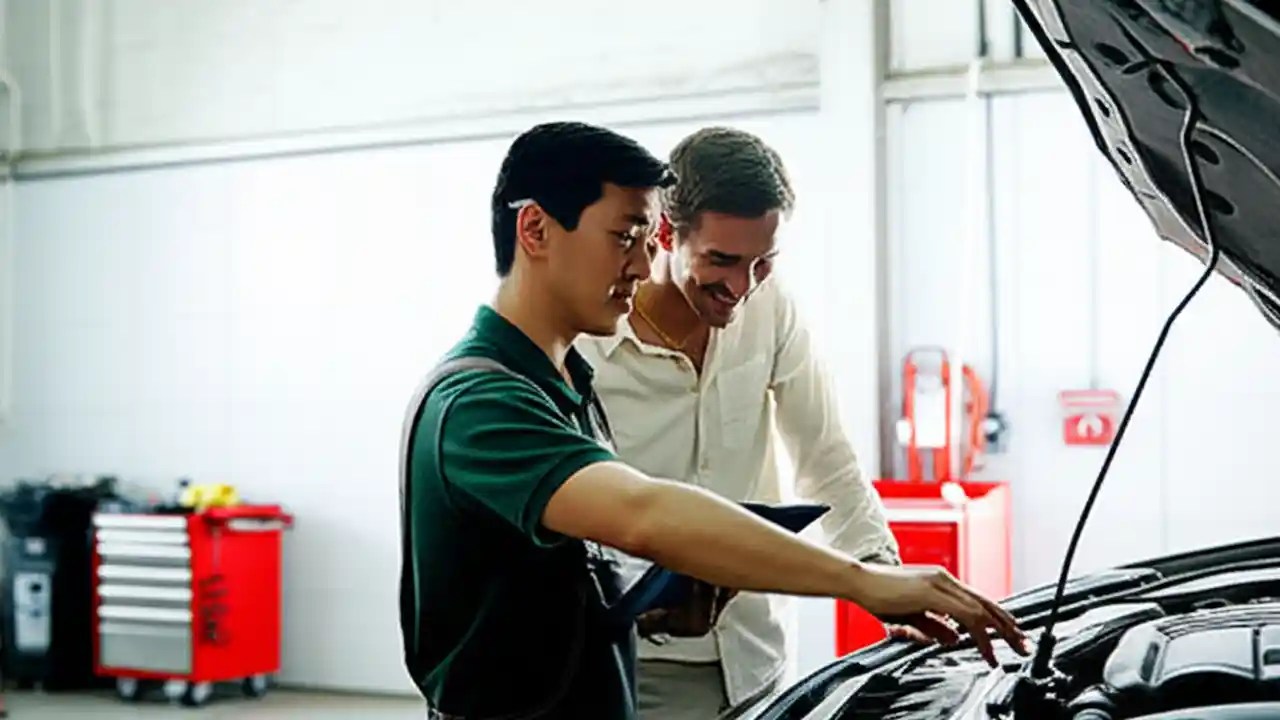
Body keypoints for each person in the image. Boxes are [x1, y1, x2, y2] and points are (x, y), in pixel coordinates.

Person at [399, 121, 1026, 720]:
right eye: (626, 238)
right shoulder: (483, 404)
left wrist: (651, 610)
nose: (641, 266)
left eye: (640, 242)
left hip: (731, 655)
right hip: (604, 690)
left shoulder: (568, 380)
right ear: (534, 229)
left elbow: (565, 571)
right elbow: (643, 514)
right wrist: (859, 582)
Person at [575, 126, 907, 719]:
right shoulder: (589, 339)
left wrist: (884, 579)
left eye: (762, 263)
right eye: (721, 261)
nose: (741, 287)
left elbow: (826, 456)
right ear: (664, 233)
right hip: (644, 666)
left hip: (759, 652)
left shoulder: (771, 305)